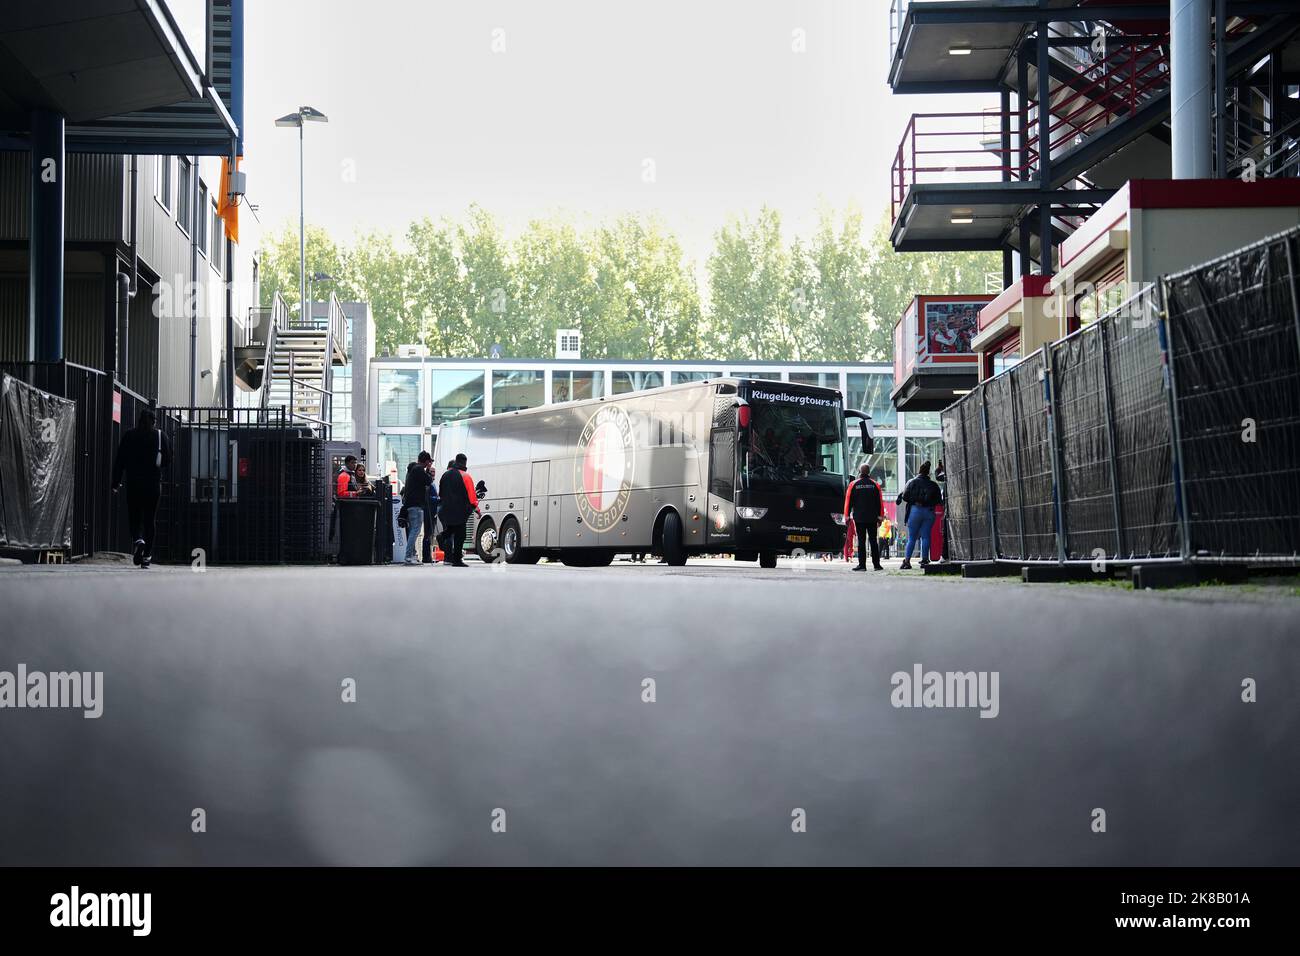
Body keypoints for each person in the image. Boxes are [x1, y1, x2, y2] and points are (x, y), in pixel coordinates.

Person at [111, 409, 171, 569]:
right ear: (154, 421)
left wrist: (115, 483)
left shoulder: (129, 436)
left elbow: (120, 461)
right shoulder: (160, 436)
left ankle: (138, 539)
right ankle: (147, 557)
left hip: (134, 484)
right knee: (150, 520)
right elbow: (168, 460)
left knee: (134, 516)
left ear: (139, 420)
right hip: (153, 485)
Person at [897, 460, 943, 570]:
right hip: (929, 511)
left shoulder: (911, 482)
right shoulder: (933, 485)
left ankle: (907, 561)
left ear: (919, 471)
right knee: (926, 536)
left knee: (912, 538)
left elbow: (905, 497)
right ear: (928, 472)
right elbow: (938, 500)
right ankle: (925, 560)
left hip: (915, 511)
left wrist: (915, 500)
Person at [438, 454, 480, 567]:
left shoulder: (445, 475)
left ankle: (442, 536)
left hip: (446, 509)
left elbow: (440, 493)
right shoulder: (465, 476)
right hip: (460, 510)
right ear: (465, 463)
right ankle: (457, 560)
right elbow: (472, 496)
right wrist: (477, 509)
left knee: (452, 528)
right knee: (461, 534)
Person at [843, 463, 884, 571]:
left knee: (861, 541)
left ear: (860, 471)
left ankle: (862, 565)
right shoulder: (875, 485)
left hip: (859, 518)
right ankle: (877, 565)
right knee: (873, 541)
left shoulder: (853, 485)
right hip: (872, 518)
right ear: (869, 472)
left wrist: (846, 517)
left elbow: (848, 502)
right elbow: (880, 502)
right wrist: (880, 518)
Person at [401, 452, 434, 566]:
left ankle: (413, 555)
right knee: (415, 530)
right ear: (426, 461)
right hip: (416, 504)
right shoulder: (419, 469)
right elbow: (429, 481)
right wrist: (428, 470)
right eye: (429, 462)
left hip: (410, 504)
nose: (429, 464)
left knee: (412, 531)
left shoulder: (413, 469)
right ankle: (408, 557)